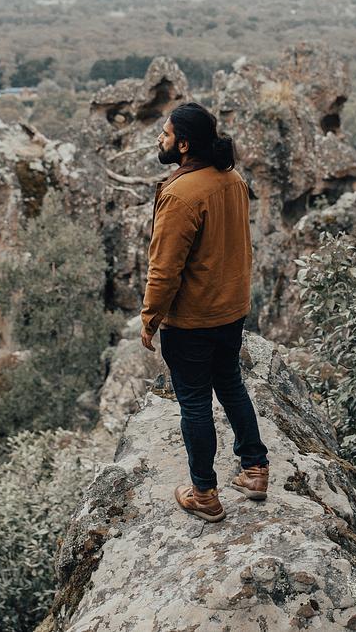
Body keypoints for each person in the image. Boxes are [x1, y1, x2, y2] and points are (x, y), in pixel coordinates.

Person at [141, 101, 270, 523]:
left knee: (195, 403)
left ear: (183, 144)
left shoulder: (180, 194)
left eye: (165, 134)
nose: (159, 139)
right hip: (230, 310)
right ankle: (255, 470)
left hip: (193, 319)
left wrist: (150, 318)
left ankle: (204, 494)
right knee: (230, 384)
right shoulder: (232, 179)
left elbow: (164, 269)